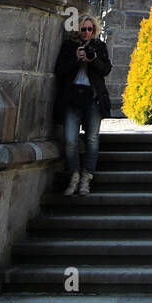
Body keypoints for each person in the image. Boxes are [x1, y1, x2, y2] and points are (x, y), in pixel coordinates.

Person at [54, 14, 112, 195]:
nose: (87, 32)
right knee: (70, 140)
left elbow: (106, 69)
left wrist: (92, 60)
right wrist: (75, 59)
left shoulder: (99, 47)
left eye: (90, 29)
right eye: (84, 29)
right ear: (78, 30)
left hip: (93, 99)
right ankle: (74, 175)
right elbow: (60, 70)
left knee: (92, 139)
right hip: (72, 98)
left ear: (94, 31)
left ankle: (87, 177)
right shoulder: (70, 46)